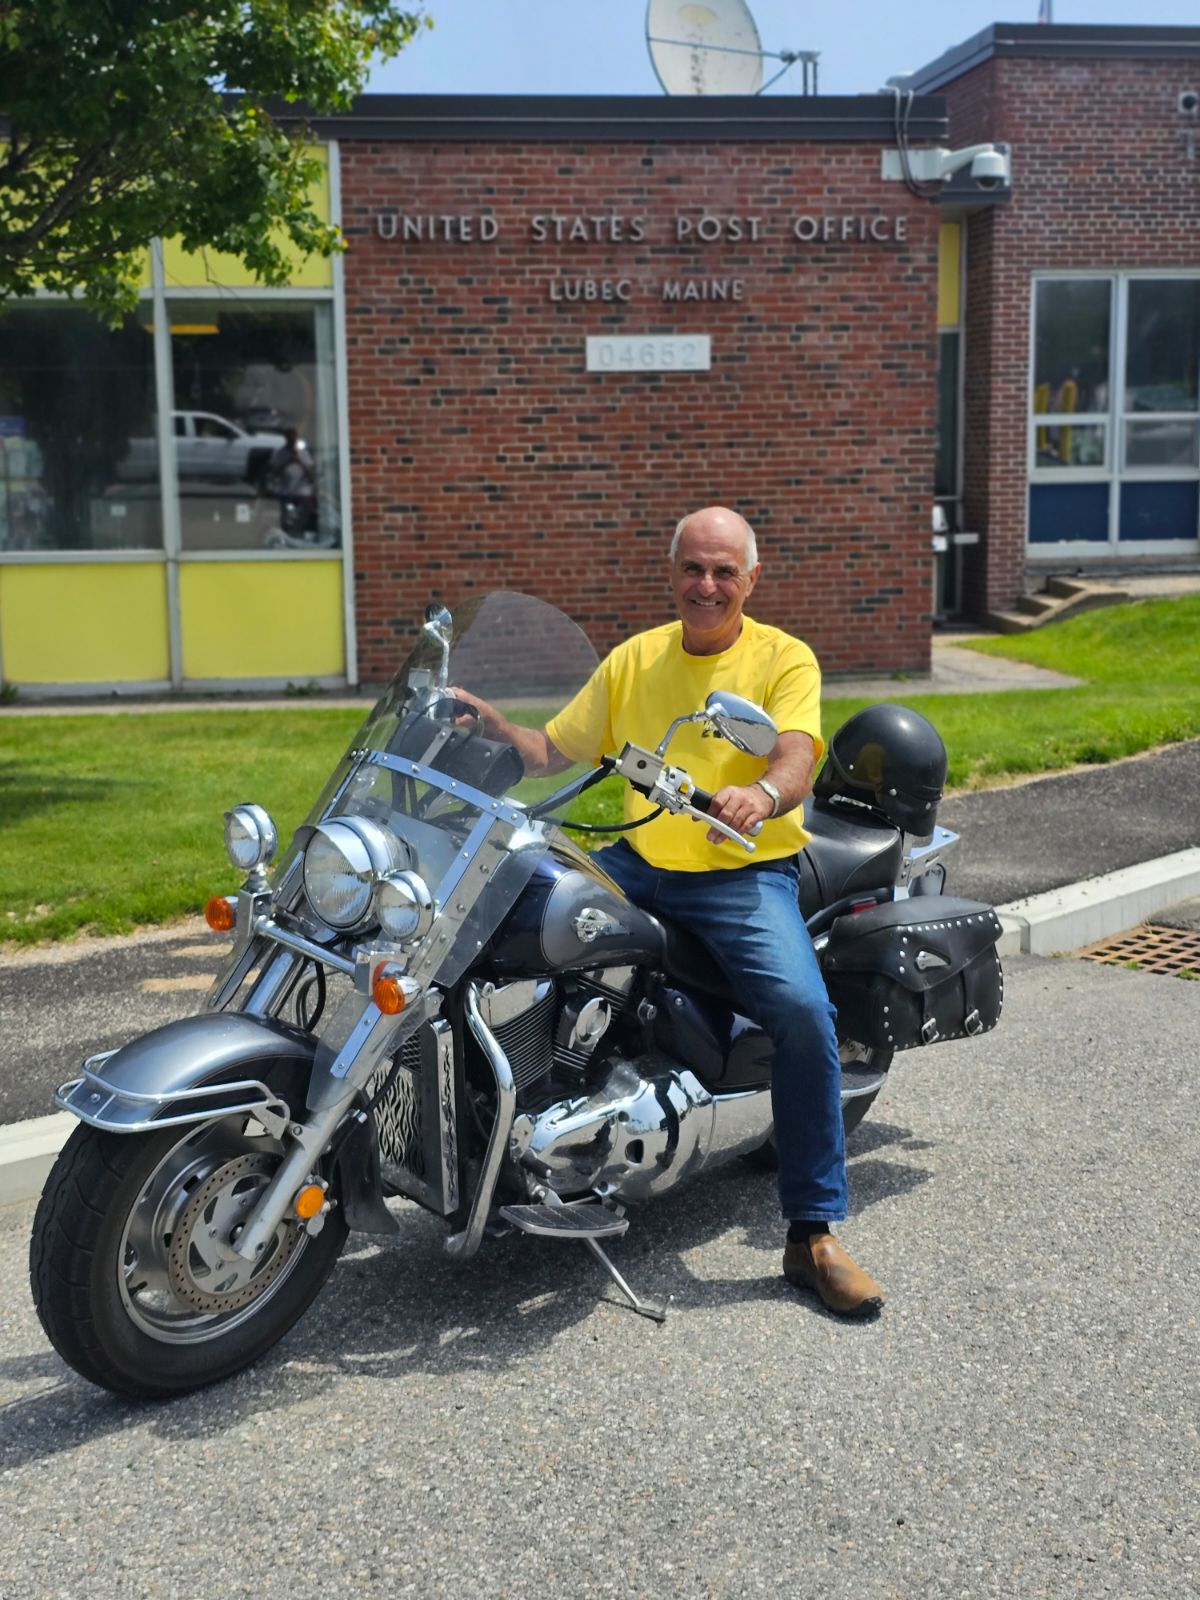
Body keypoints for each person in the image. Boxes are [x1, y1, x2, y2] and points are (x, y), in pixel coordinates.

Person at [454, 506, 884, 1318]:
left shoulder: (783, 659)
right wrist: (492, 727)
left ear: (751, 580)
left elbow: (797, 752)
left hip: (740, 872)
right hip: (638, 857)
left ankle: (814, 1231)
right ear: (673, 572)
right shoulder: (636, 659)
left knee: (801, 1013)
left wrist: (760, 792)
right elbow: (552, 750)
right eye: (694, 568)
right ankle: (515, 1126)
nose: (707, 585)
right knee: (497, 921)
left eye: (725, 571)